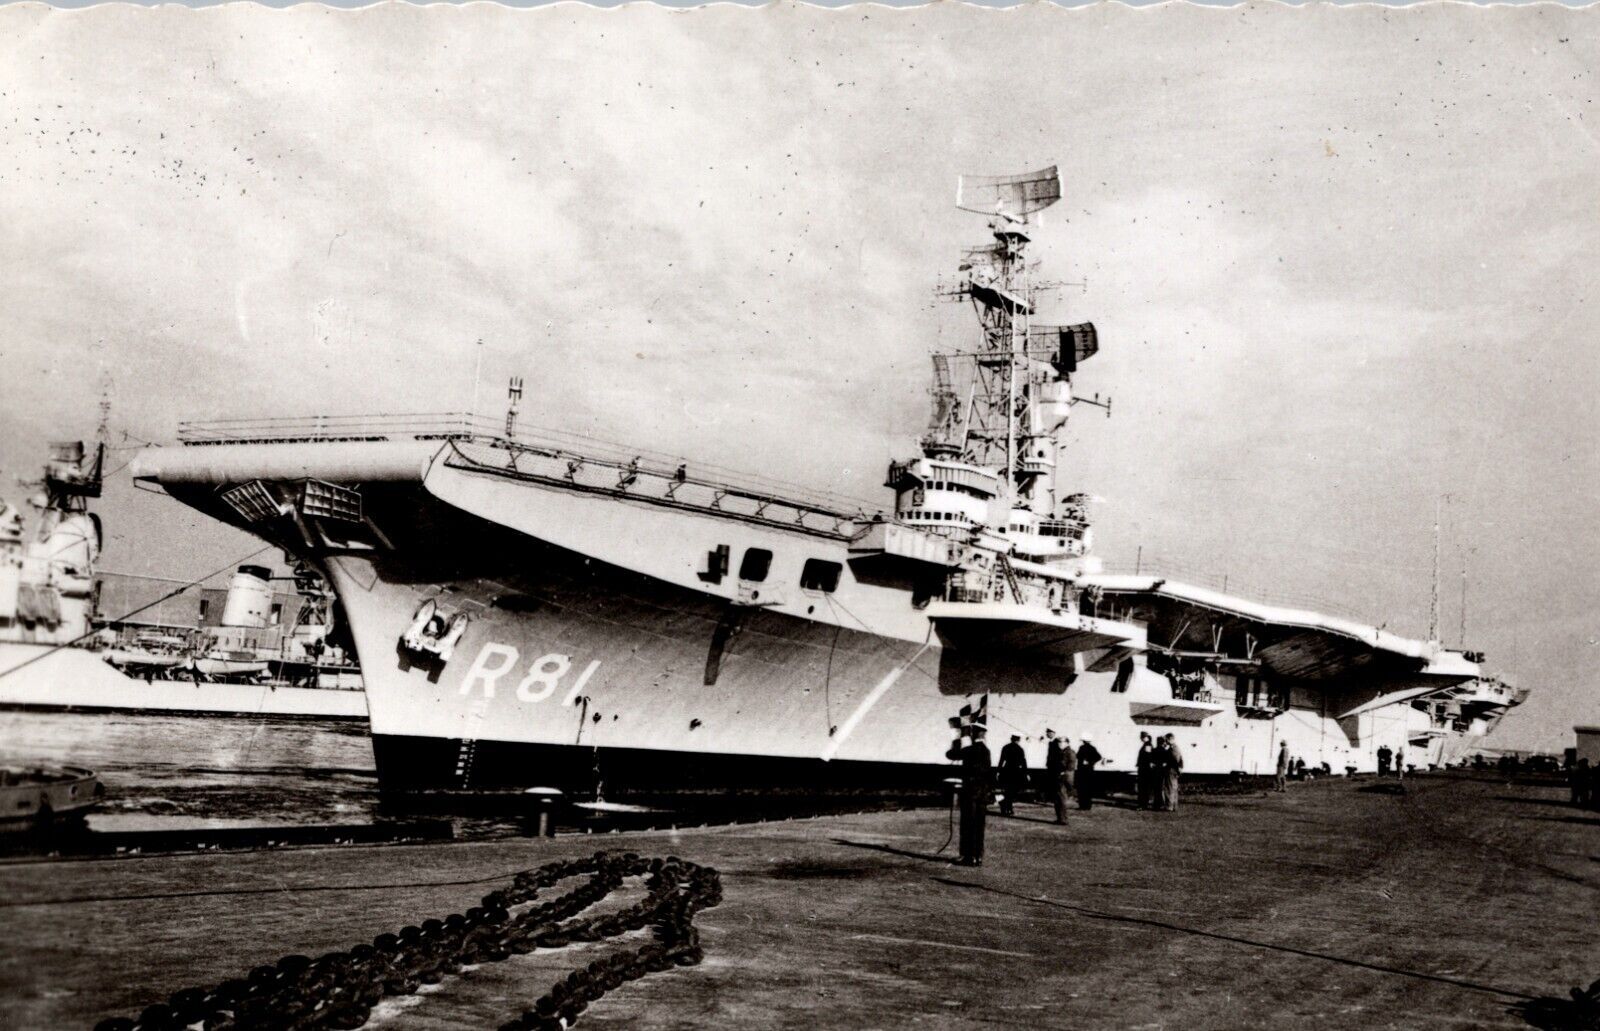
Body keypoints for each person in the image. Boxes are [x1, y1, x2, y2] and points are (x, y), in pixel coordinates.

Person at [946, 725, 992, 866]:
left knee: (967, 825)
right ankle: (977, 857)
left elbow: (951, 755)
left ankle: (967, 856)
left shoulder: (969, 750)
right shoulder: (986, 751)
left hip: (970, 793)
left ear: (973, 735)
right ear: (983, 735)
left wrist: (956, 739)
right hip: (982, 794)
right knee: (979, 826)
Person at [997, 734, 1028, 817]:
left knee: (1007, 790)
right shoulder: (1020, 749)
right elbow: (1023, 762)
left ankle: (1005, 805)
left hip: (1006, 771)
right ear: (1018, 740)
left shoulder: (1005, 747)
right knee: (1012, 791)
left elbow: (1001, 760)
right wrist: (1026, 773)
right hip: (1016, 772)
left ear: (1011, 739)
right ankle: (1008, 808)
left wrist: (998, 771)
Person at [1044, 730, 1070, 824]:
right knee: (1057, 795)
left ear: (1053, 733)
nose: (1047, 734)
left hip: (1057, 772)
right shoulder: (1053, 742)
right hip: (1054, 771)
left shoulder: (1056, 744)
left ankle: (1062, 819)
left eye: (1049, 732)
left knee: (1060, 795)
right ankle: (1060, 818)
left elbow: (1058, 759)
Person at [1075, 735, 1103, 810]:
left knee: (1082, 788)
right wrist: (1091, 762)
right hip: (1089, 771)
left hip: (1082, 771)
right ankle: (1087, 806)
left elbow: (1077, 756)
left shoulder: (1082, 748)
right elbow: (1098, 757)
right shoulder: (1092, 748)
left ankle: (1083, 805)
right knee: (1088, 789)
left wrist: (1088, 762)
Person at [1163, 733, 1184, 811]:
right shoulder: (1175, 747)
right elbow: (1180, 759)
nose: (1165, 741)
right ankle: (1174, 806)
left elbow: (1176, 759)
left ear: (1169, 739)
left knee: (1169, 788)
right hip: (1174, 770)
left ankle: (1169, 806)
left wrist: (1176, 768)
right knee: (1174, 787)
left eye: (1166, 739)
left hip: (1171, 770)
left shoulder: (1173, 748)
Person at [1135, 732, 1155, 809]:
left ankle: (1142, 805)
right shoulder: (1147, 745)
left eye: (1141, 737)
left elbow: (1148, 757)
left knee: (1143, 787)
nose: (1141, 738)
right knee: (1144, 787)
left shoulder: (1147, 745)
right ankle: (1143, 804)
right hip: (1144, 769)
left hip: (1144, 770)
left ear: (1144, 737)